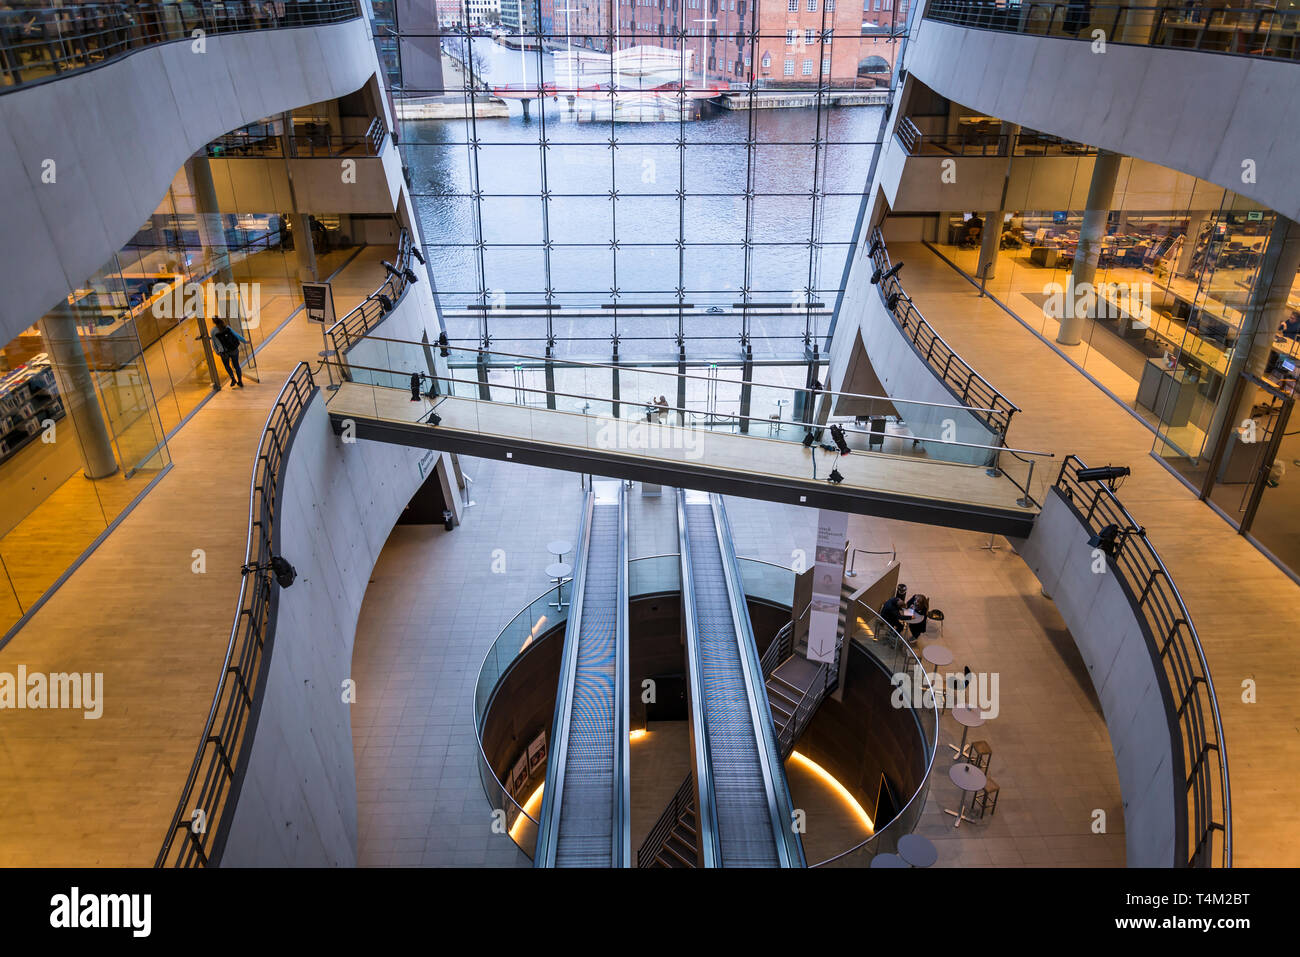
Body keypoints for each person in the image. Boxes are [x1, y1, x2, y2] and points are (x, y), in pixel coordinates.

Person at [211, 318, 245, 388]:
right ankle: (240, 381)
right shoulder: (227, 327)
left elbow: (214, 343)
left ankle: (233, 379)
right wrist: (244, 341)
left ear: (214, 322)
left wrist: (217, 352)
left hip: (223, 352)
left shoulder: (213, 331)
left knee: (227, 366)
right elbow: (236, 335)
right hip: (233, 349)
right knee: (236, 366)